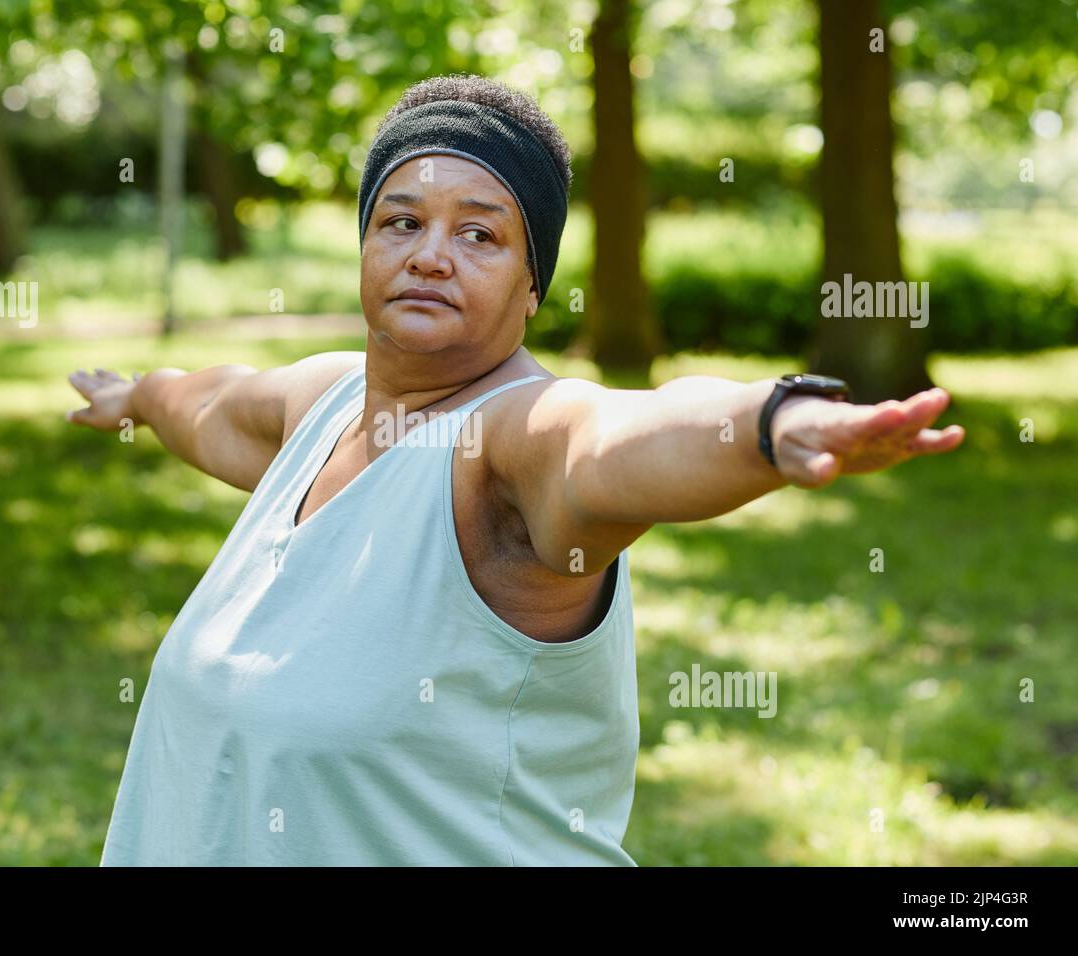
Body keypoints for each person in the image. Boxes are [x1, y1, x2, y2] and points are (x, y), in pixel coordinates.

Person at [67, 74, 964, 866]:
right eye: (402, 221)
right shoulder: (329, 406)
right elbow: (210, 406)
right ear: (365, 247)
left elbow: (612, 440)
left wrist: (769, 421)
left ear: (533, 284)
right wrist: (136, 395)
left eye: (481, 236)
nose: (429, 254)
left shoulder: (506, 444)